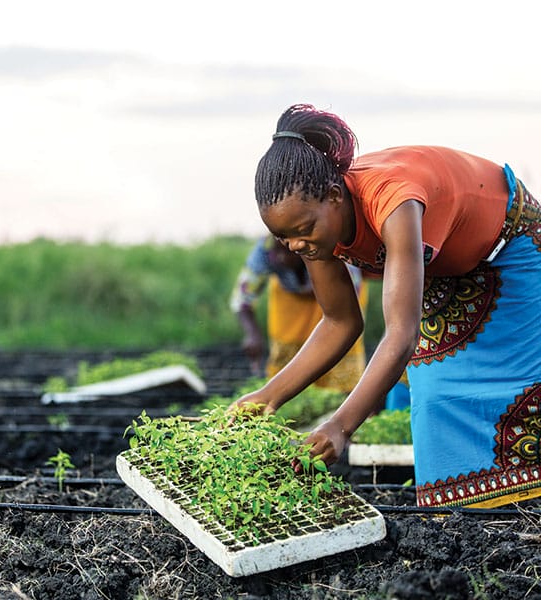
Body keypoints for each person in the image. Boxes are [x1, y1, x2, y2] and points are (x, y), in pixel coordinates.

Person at [231, 103, 541, 508]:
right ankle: (460, 522)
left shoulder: (394, 202)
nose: (296, 246)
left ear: (334, 196)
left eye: (303, 231)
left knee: (524, 389)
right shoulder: (311, 232)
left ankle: (524, 513)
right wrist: (267, 397)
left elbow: (401, 332)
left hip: (509, 247)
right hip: (448, 268)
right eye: (284, 237)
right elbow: (340, 322)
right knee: (433, 394)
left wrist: (341, 426)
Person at [229, 233, 367, 392]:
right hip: (290, 308)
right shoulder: (265, 248)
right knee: (288, 375)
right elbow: (242, 297)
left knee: (338, 357)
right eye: (279, 251)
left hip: (335, 301)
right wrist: (252, 333)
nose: (282, 258)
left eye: (288, 252)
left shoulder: (330, 249)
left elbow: (345, 317)